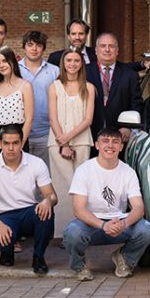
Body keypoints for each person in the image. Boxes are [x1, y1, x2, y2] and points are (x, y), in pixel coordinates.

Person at [63, 128, 150, 280]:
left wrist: (124, 223)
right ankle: (80, 266)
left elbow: (139, 208)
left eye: (115, 142)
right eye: (105, 141)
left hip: (119, 223)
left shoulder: (128, 172)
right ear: (97, 145)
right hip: (91, 225)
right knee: (72, 233)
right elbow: (78, 210)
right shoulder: (84, 170)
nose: (110, 145)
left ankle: (124, 258)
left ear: (121, 146)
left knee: (147, 230)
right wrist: (103, 225)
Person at [0, 124, 58, 274]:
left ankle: (38, 257)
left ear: (22, 143)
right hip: (3, 215)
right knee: (3, 243)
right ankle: (7, 252)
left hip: (28, 212)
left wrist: (47, 201)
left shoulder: (36, 163)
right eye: (6, 143)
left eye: (15, 143)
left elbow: (52, 196)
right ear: (0, 144)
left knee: (46, 212)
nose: (11, 148)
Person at [48, 49, 96, 230]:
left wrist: (68, 138)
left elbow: (88, 119)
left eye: (76, 60)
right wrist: (64, 143)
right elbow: (52, 118)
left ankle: (81, 228)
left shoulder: (89, 87)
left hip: (82, 140)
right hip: (57, 142)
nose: (72, 64)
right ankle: (63, 232)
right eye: (69, 60)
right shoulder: (54, 86)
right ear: (63, 63)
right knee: (63, 186)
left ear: (81, 63)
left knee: (81, 186)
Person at [0, 46, 34, 161]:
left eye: (4, 61)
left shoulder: (25, 86)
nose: (2, 65)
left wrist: (19, 144)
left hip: (17, 137)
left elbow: (29, 119)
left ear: (12, 61)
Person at [89, 32, 145, 142]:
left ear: (117, 50)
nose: (107, 49)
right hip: (89, 136)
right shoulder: (84, 73)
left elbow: (136, 103)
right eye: (103, 46)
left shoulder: (130, 74)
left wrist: (128, 126)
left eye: (111, 46)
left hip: (120, 136)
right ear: (96, 50)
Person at [18, 30, 60, 163]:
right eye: (30, 45)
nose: (34, 49)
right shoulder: (14, 70)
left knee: (45, 176)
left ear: (44, 48)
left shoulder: (55, 71)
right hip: (20, 132)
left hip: (46, 133)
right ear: (24, 47)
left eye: (39, 45)